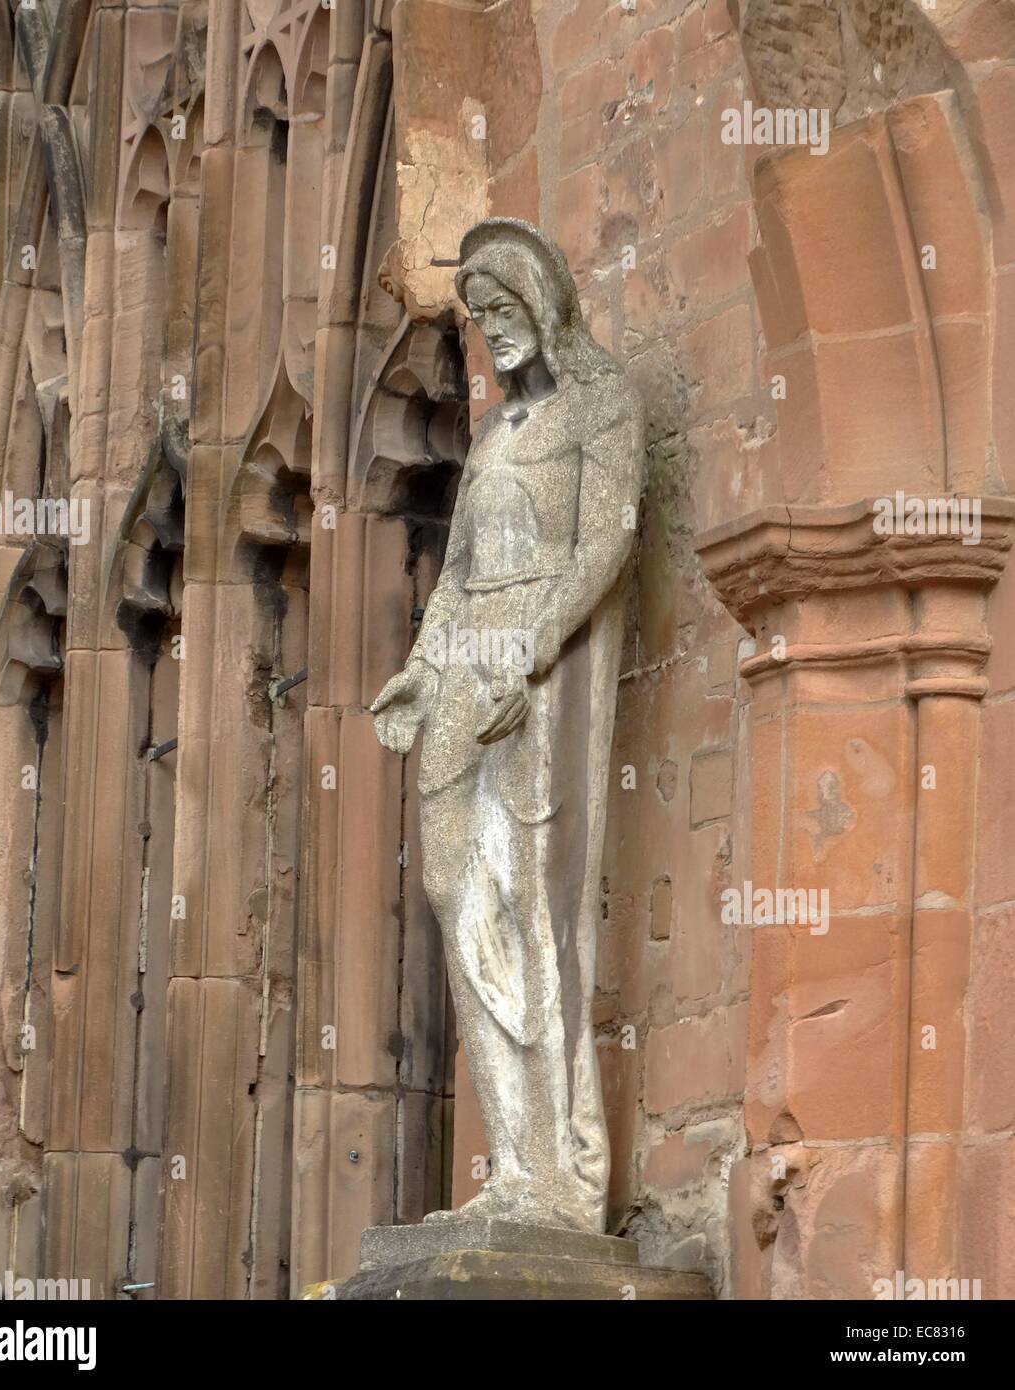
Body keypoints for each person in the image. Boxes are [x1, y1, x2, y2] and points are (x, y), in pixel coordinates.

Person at [372, 218, 645, 1234]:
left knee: (535, 895)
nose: (493, 332)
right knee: (453, 887)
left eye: (503, 310)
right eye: (479, 317)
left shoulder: (602, 403)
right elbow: (453, 576)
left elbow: (607, 538)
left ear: (542, 303)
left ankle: (557, 1171)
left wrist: (528, 651)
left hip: (536, 671)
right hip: (462, 669)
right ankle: (509, 1158)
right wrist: (420, 666)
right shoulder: (489, 437)